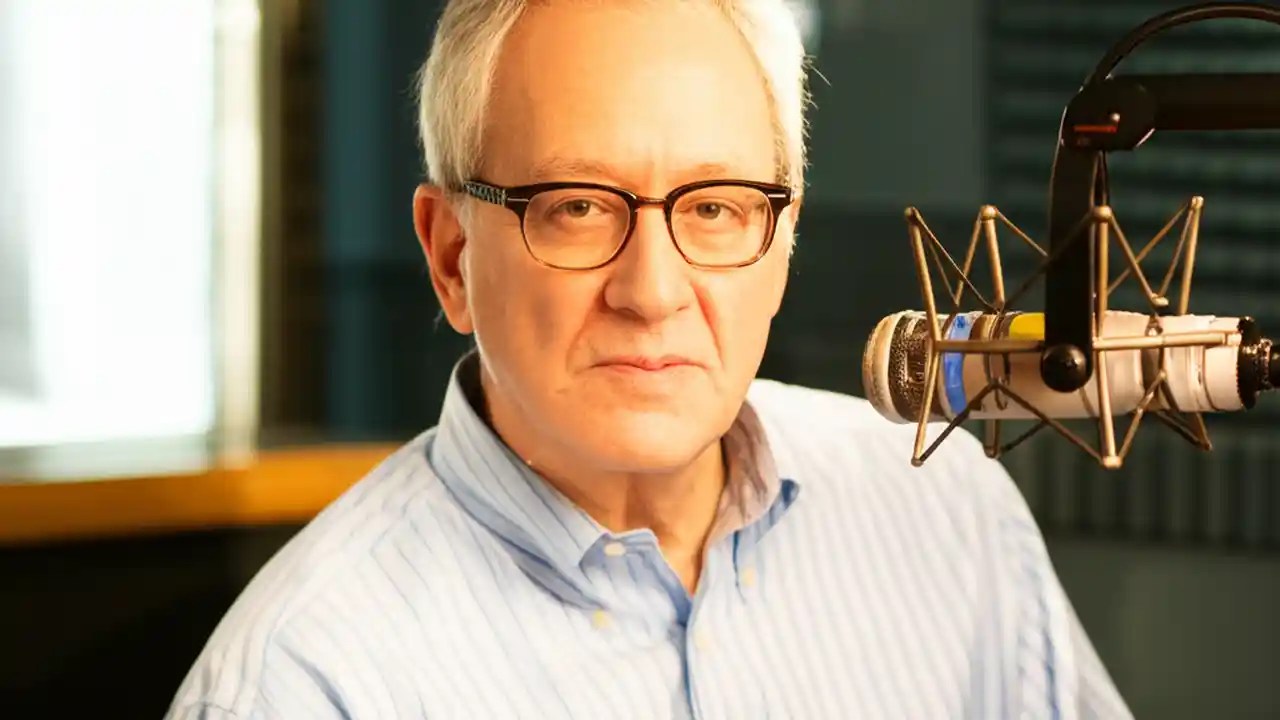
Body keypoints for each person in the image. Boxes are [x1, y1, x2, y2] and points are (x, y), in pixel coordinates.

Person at [168, 0, 1133, 717]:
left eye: (715, 208)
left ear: (782, 241)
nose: (653, 291)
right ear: (452, 257)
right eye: (579, 206)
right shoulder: (304, 680)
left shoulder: (947, 517)